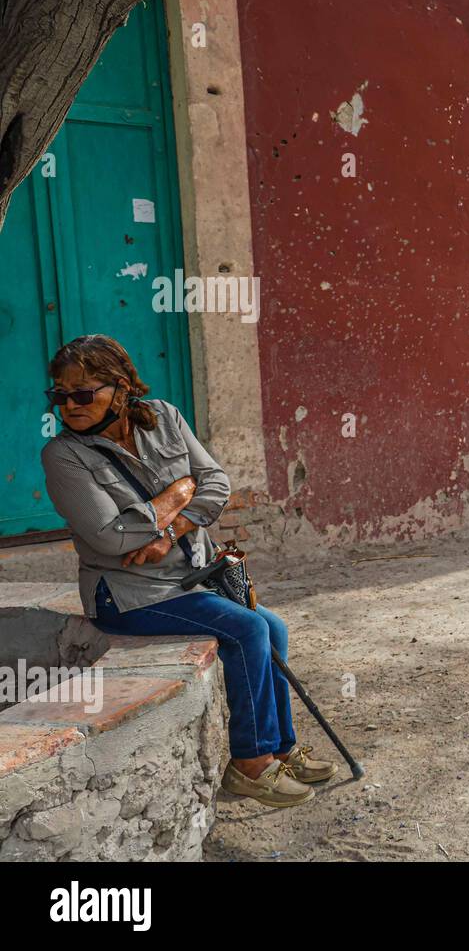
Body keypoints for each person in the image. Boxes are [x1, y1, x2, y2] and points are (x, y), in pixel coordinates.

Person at [40, 334, 335, 808]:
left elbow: (216, 482)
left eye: (81, 392)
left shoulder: (164, 417)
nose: (68, 404)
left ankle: (280, 747)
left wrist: (172, 527)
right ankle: (250, 765)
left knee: (271, 626)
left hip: (189, 577)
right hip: (128, 595)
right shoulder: (64, 456)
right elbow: (108, 537)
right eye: (59, 394)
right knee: (245, 630)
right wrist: (178, 492)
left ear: (120, 389)